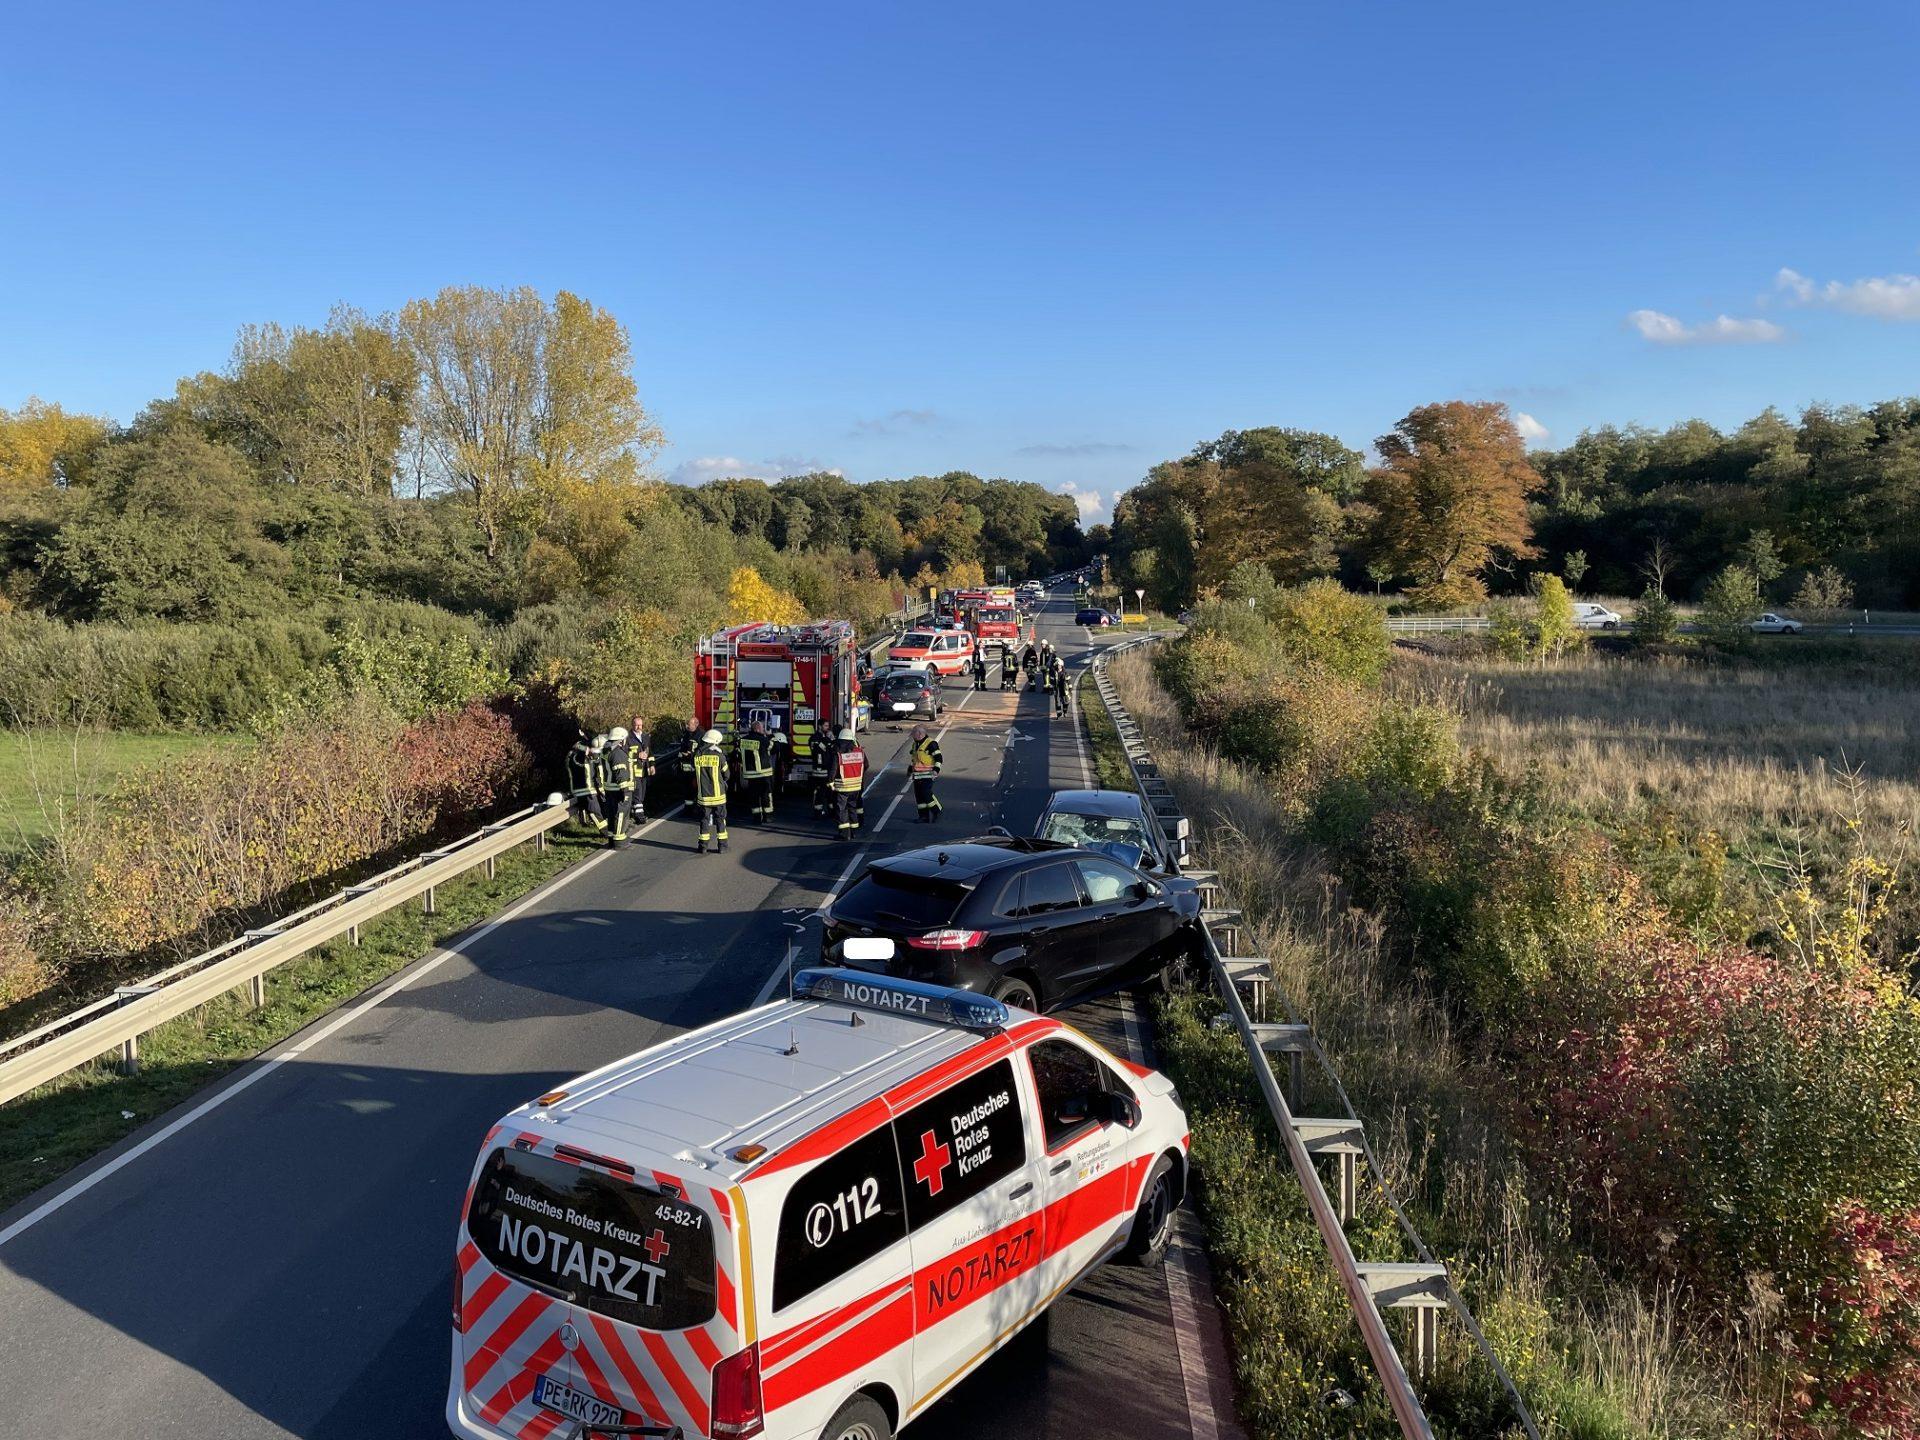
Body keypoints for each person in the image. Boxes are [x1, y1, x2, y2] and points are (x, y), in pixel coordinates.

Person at [692, 728, 730, 854]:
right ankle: (722, 846)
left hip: (703, 796)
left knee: (704, 820)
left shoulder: (697, 755)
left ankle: (703, 846)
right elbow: (727, 775)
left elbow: (693, 768)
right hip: (718, 796)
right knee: (720, 820)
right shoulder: (719, 756)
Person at [828, 727, 866, 837]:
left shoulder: (839, 754)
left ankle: (844, 834)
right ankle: (853, 831)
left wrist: (830, 782)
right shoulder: (860, 752)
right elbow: (865, 765)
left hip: (843, 787)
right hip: (856, 787)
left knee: (841, 809)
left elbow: (833, 770)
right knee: (852, 808)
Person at [565, 731, 606, 831]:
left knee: (597, 811)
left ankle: (606, 830)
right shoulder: (582, 755)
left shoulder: (573, 755)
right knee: (596, 812)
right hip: (587, 790)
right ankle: (607, 833)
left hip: (583, 790)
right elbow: (597, 774)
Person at [602, 726, 635, 848]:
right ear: (621, 740)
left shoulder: (607, 751)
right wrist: (625, 792)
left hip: (610, 789)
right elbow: (620, 774)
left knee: (611, 814)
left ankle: (612, 838)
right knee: (621, 813)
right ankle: (619, 841)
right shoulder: (618, 754)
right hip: (619, 790)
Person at [739, 720, 776, 822]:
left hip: (750, 775)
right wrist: (771, 737)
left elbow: (737, 754)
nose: (763, 730)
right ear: (757, 729)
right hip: (763, 773)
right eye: (762, 728)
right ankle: (767, 816)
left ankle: (756, 817)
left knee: (754, 796)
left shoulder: (743, 740)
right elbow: (774, 748)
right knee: (766, 795)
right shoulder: (763, 740)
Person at [909, 724, 943, 823]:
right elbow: (915, 759)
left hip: (928, 774)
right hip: (917, 775)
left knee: (926, 794)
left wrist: (936, 770)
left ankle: (936, 811)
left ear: (919, 734)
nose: (912, 736)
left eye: (913, 734)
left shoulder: (931, 743)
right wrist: (910, 769)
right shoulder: (915, 744)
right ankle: (923, 817)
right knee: (919, 797)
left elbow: (939, 758)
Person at [628, 717, 655, 822]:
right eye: (636, 725)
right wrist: (637, 755)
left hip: (645, 770)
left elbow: (650, 752)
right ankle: (640, 817)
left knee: (642, 793)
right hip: (634, 770)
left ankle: (635, 813)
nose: (639, 727)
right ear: (632, 725)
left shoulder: (646, 736)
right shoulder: (628, 738)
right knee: (638, 793)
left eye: (640, 725)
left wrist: (652, 765)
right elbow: (624, 753)